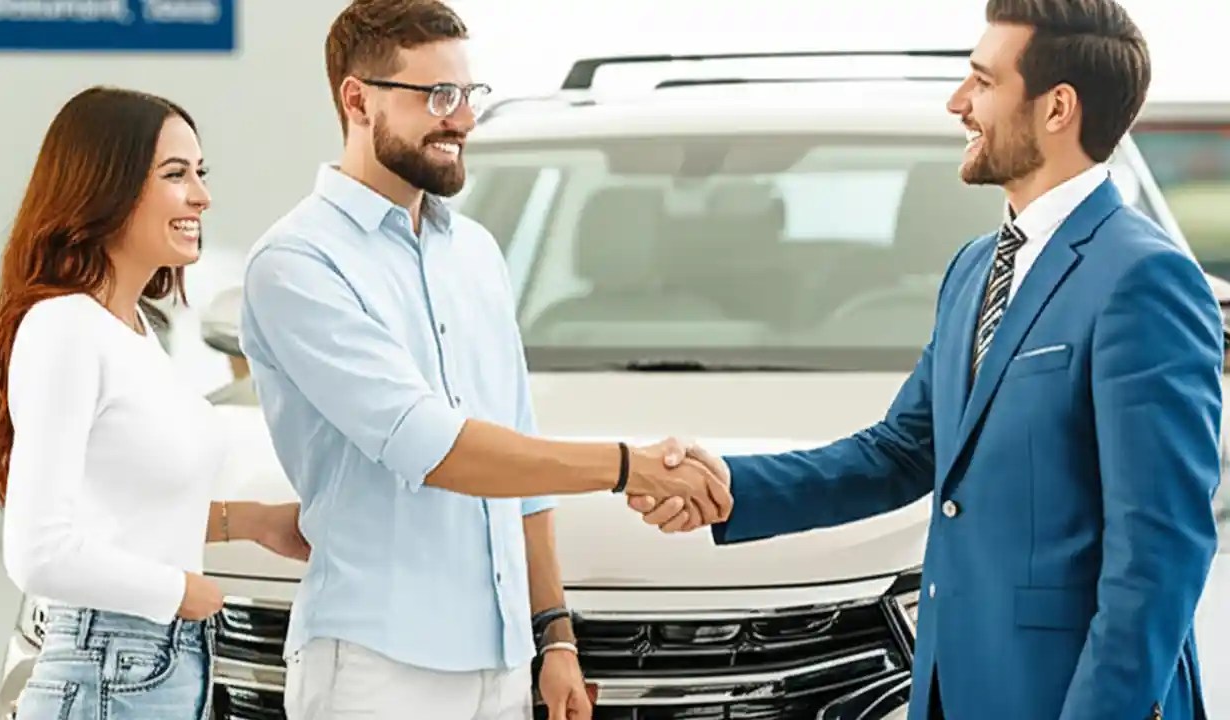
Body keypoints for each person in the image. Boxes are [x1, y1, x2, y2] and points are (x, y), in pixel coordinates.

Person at [631, 1, 1224, 719]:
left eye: (981, 81)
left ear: (1057, 108)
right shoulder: (975, 268)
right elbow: (902, 453)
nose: (958, 103)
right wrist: (730, 485)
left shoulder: (1145, 279)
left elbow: (1160, 551)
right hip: (951, 687)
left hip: (1069, 696)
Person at [236, 2, 729, 718]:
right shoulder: (298, 263)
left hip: (502, 667)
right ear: (356, 99)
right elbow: (433, 449)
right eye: (438, 97)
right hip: (377, 668)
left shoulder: (475, 253)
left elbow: (519, 467)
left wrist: (554, 636)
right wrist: (627, 465)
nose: (462, 120)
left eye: (469, 95)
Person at [0, 86, 311, 720]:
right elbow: (38, 552)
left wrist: (258, 522)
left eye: (200, 174)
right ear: (106, 188)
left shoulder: (133, 330)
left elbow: (121, 512)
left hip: (154, 666)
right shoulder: (64, 327)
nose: (202, 196)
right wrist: (180, 591)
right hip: (111, 666)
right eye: (175, 175)